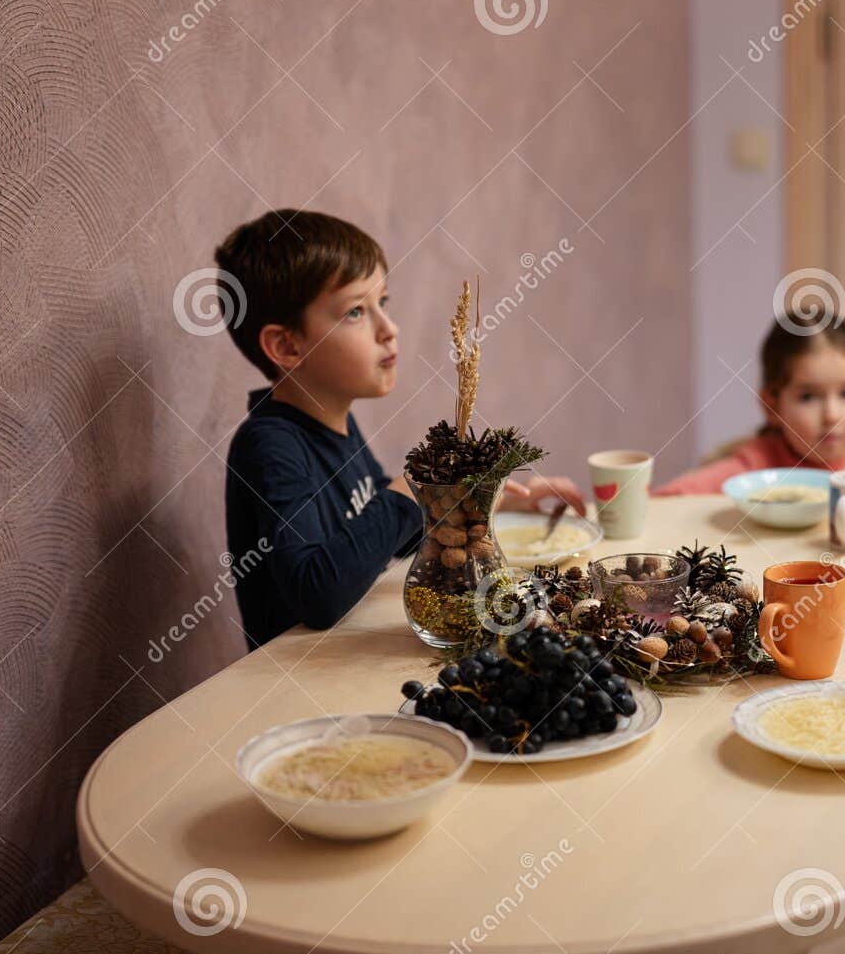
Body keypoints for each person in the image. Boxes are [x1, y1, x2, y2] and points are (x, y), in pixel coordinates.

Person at [218, 209, 582, 648]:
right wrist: (408, 494)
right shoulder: (269, 445)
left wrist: (483, 506)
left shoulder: (334, 425)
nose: (389, 330)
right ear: (286, 346)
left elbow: (392, 542)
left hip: (343, 660)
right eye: (355, 312)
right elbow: (318, 596)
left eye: (382, 304)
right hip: (297, 678)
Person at [655, 315, 845, 513]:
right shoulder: (758, 467)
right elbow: (666, 503)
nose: (832, 414)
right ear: (771, 406)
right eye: (808, 397)